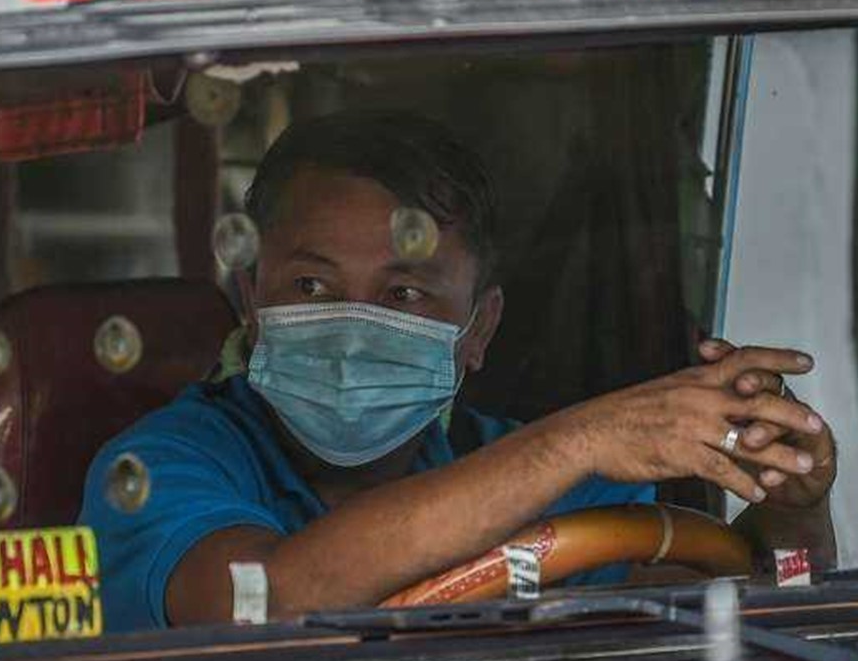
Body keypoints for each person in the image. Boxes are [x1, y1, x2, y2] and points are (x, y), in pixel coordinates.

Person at [78, 110, 838, 632]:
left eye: (404, 293)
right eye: (311, 286)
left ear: (481, 329)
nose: (353, 325)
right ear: (251, 300)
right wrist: (580, 439)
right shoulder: (161, 465)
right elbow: (263, 602)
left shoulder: (562, 489)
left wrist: (794, 510)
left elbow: (752, 619)